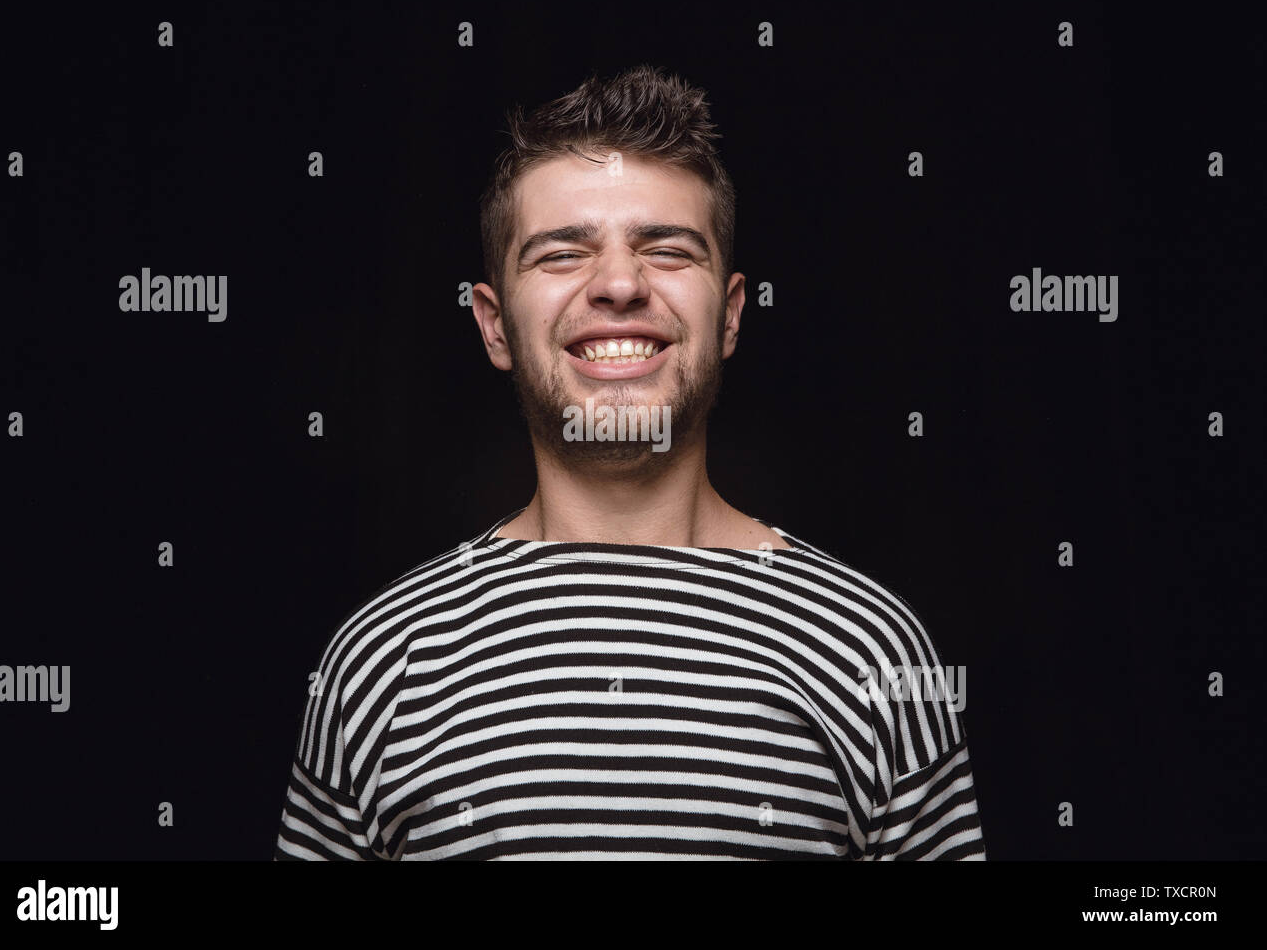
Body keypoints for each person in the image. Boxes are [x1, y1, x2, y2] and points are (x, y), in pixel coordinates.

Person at [275, 64, 986, 860]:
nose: (619, 284)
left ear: (730, 315)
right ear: (494, 325)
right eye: (561, 255)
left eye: (668, 250)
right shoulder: (381, 664)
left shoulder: (873, 651)